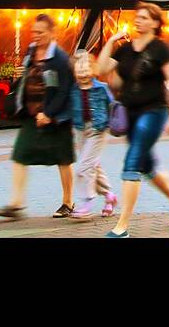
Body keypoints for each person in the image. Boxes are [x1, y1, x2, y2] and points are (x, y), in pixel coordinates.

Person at [96, 3, 169, 238]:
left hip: (153, 112)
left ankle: (122, 226)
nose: (138, 20)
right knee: (147, 166)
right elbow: (101, 68)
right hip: (129, 114)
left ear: (155, 23)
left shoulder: (162, 49)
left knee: (132, 161)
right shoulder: (124, 49)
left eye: (144, 17)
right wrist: (111, 41)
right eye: (137, 17)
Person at [0, 13, 76, 219]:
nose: (36, 36)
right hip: (30, 115)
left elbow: (64, 91)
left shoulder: (61, 59)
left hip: (56, 119)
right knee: (20, 154)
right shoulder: (30, 51)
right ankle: (16, 203)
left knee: (63, 159)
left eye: (41, 32)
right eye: (33, 32)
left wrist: (48, 113)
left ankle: (68, 202)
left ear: (52, 33)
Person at [69, 49, 117, 219]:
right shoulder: (73, 89)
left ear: (93, 70)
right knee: (93, 165)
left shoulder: (101, 89)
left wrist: (115, 123)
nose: (82, 75)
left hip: (98, 130)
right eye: (79, 71)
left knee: (83, 167)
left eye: (85, 70)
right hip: (81, 129)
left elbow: (113, 106)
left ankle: (86, 202)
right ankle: (109, 196)